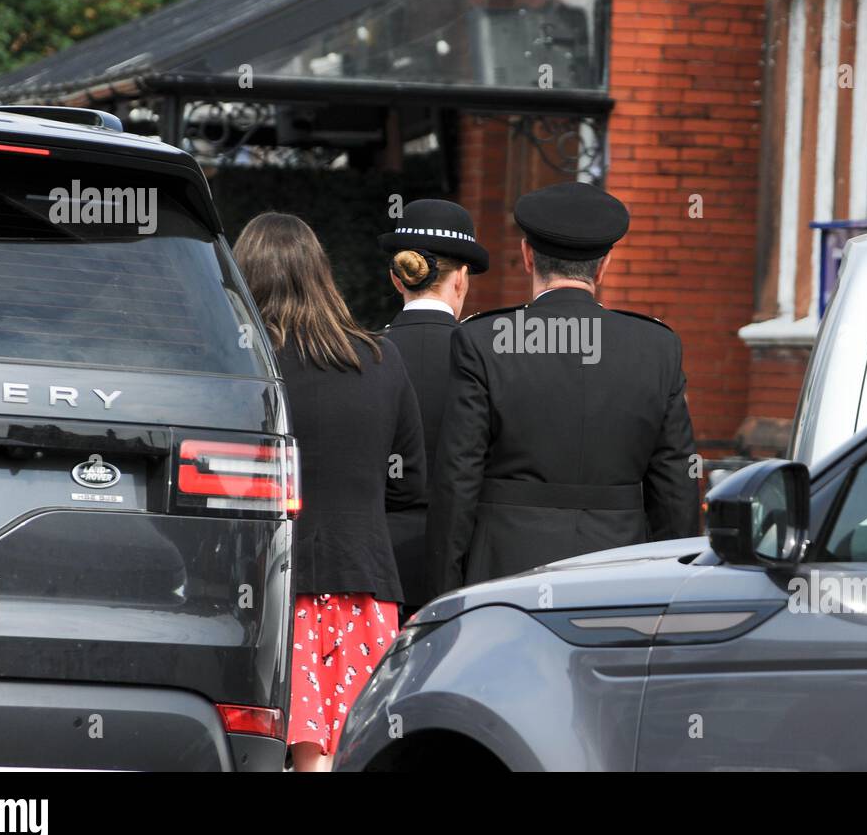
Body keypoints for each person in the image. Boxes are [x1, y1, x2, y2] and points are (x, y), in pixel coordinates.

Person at [427, 181, 700, 594]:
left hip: (505, 570)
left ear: (527, 255)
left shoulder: (483, 339)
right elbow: (676, 485)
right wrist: (675, 589)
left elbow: (457, 478)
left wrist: (443, 591)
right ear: (604, 264)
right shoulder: (657, 346)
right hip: (619, 568)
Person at [234, 212, 424, 772]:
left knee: (275, 747)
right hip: (363, 577)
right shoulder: (381, 359)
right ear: (321, 273)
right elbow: (409, 479)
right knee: (345, 747)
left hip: (266, 581)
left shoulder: (244, 362)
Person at [378, 199, 489, 619]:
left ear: (397, 278)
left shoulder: (365, 353)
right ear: (460, 280)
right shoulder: (488, 358)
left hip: (377, 562)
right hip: (463, 564)